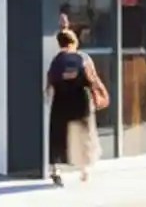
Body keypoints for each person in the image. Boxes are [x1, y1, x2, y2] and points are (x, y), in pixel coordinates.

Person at [46, 28, 109, 186]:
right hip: (81, 101)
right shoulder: (83, 57)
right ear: (74, 42)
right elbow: (93, 79)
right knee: (85, 135)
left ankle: (56, 169)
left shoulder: (56, 61)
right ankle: (84, 170)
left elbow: (50, 82)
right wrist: (101, 94)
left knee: (58, 136)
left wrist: (48, 95)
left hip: (61, 101)